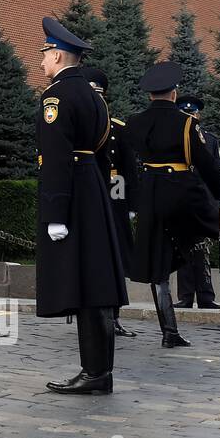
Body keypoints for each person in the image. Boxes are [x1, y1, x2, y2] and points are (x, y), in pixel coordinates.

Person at [35, 18, 128, 395]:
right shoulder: (95, 98)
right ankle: (99, 371)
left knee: (86, 285)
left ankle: (94, 373)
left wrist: (56, 213)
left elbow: (56, 157)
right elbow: (103, 152)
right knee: (98, 283)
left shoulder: (55, 98)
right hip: (93, 192)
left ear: (57, 55)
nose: (41, 62)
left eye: (44, 55)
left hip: (71, 194)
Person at [121, 63, 220, 346]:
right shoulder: (186, 123)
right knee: (201, 233)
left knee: (159, 269)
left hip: (150, 194)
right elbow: (206, 164)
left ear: (150, 96)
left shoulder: (134, 122)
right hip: (181, 194)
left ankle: (169, 331)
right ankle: (181, 318)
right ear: (173, 93)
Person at [81, 66, 138, 339]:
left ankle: (113, 316)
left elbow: (130, 170)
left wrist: (131, 206)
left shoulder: (119, 129)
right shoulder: (79, 126)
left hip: (115, 200)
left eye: (99, 95)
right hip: (88, 198)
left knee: (115, 260)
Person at [173, 94, 220, 310]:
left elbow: (215, 173)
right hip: (182, 199)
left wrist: (216, 201)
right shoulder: (173, 137)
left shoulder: (210, 140)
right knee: (184, 248)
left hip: (203, 201)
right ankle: (185, 296)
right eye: (185, 113)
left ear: (198, 115)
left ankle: (205, 296)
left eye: (192, 113)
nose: (190, 117)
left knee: (202, 249)